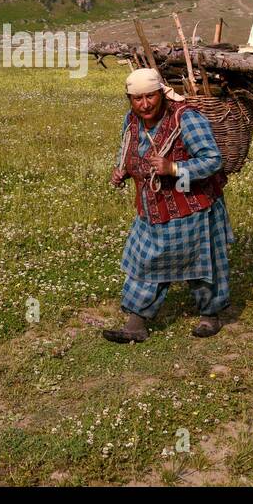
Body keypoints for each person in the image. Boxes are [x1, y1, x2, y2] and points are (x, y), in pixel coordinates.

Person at [104, 67, 233, 343]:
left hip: (193, 206)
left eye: (150, 97)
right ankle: (135, 325)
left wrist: (173, 167)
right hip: (152, 208)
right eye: (137, 99)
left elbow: (212, 160)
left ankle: (210, 316)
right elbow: (127, 148)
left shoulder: (186, 118)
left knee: (201, 262)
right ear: (130, 99)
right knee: (145, 261)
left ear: (161, 94)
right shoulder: (133, 120)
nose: (144, 104)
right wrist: (122, 170)